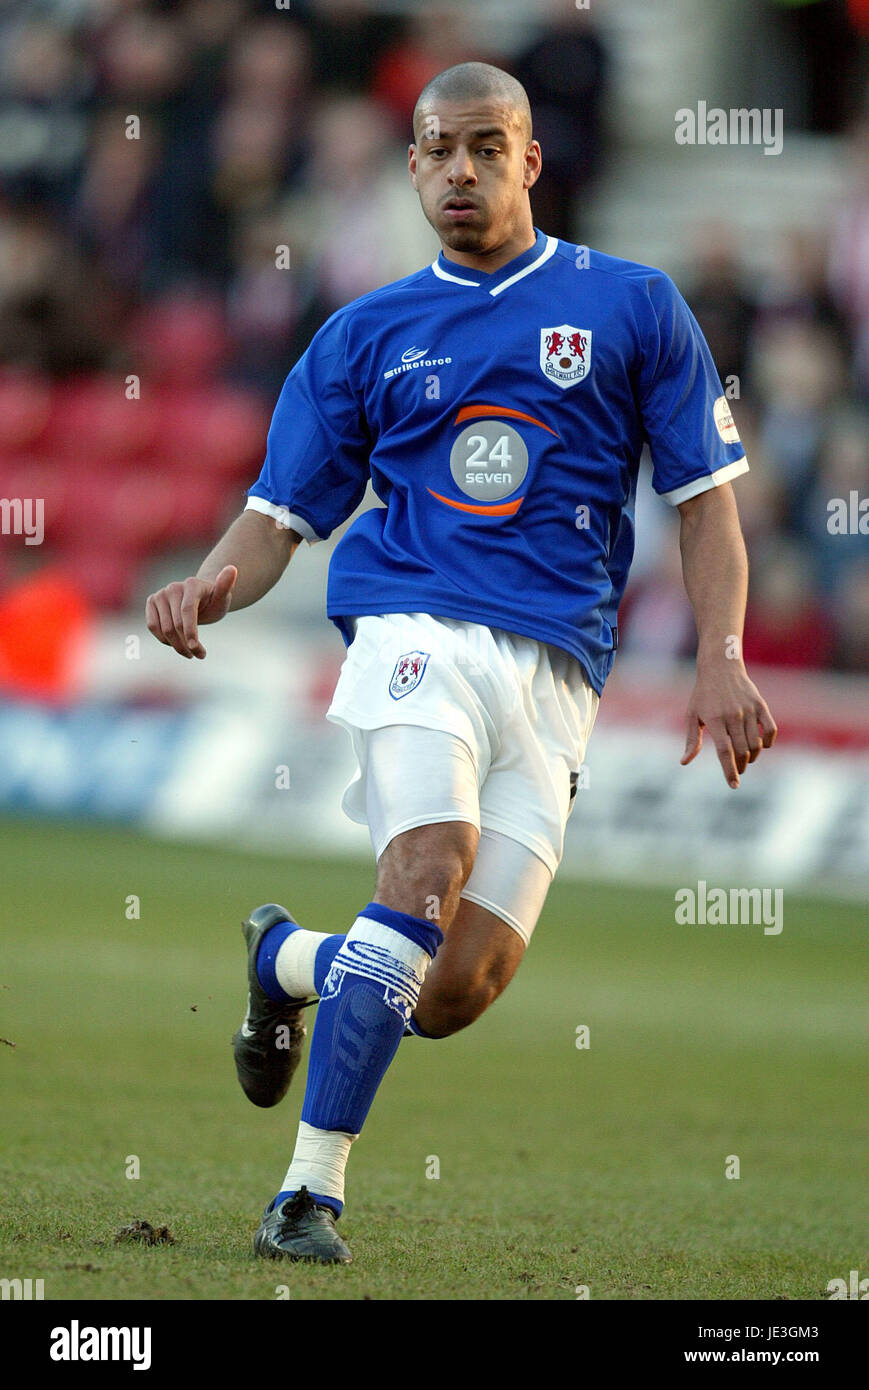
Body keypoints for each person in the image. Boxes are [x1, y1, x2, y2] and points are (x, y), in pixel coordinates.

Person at [145, 62, 777, 1265]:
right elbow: (278, 517)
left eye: (487, 146)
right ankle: (306, 1195)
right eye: (437, 149)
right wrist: (215, 578)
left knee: (451, 987)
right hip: (411, 629)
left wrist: (720, 654)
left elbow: (704, 504)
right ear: (413, 167)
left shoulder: (633, 306)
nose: (461, 170)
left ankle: (284, 959)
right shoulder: (361, 335)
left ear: (530, 160)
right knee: (424, 869)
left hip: (559, 673)